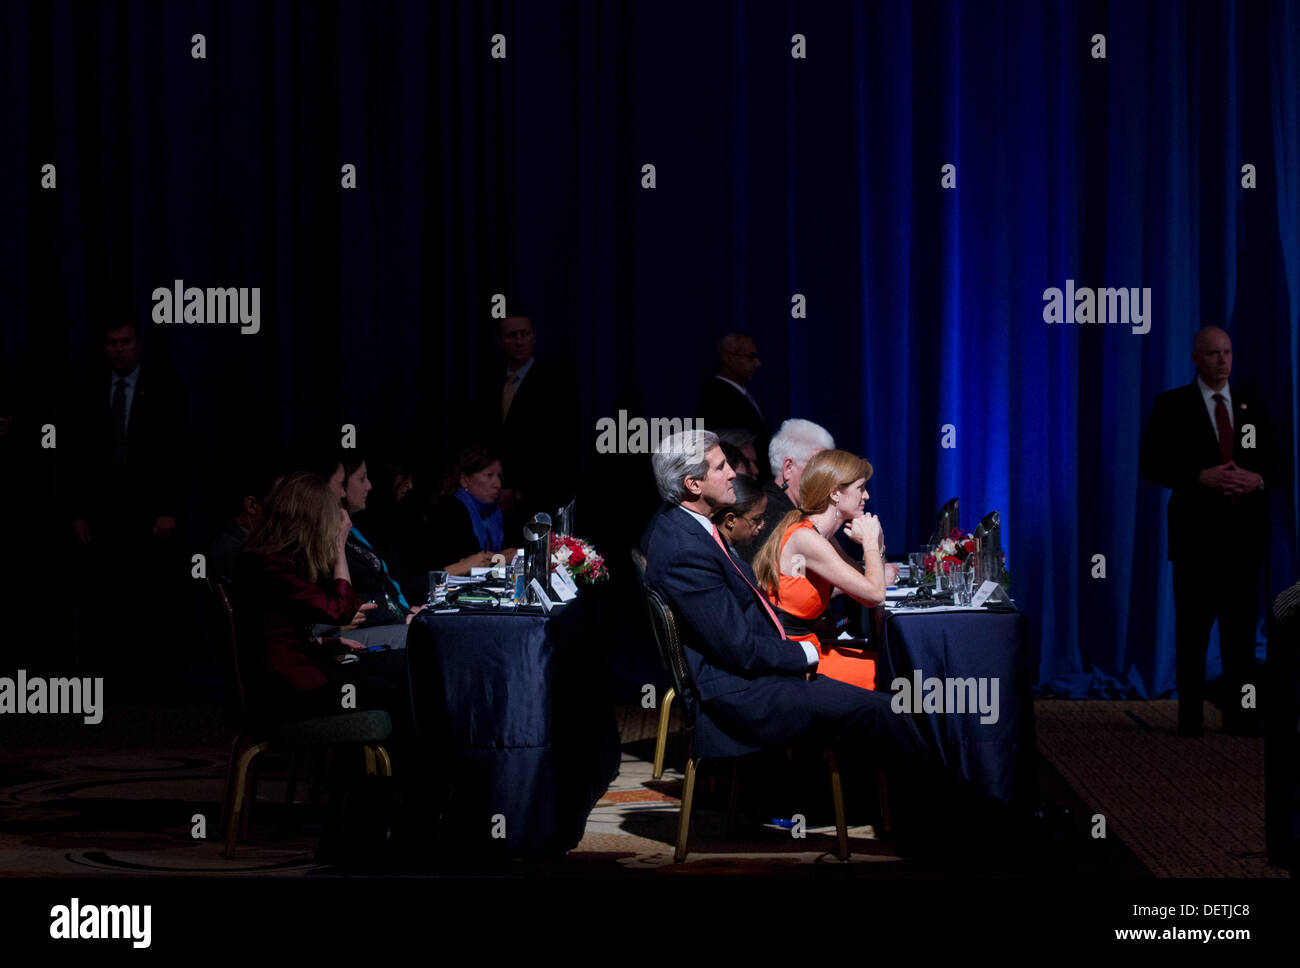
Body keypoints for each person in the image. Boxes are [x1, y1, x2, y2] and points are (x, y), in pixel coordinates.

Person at [1140, 326, 1277, 737]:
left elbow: (1278, 461)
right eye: (1214, 354)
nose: (1223, 361)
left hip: (1244, 542)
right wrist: (1199, 476)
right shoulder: (1173, 406)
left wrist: (1258, 480)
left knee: (1239, 639)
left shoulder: (1253, 405)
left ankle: (1239, 717)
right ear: (1196, 357)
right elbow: (1152, 466)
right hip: (1196, 542)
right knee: (1193, 634)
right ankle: (1190, 719)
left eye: (1228, 353)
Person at [232, 472, 411, 731]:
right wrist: (339, 547)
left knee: (398, 666)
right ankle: (387, 770)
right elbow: (342, 611)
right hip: (287, 694)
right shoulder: (270, 565)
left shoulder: (272, 560)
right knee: (396, 689)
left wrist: (321, 642)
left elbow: (276, 630)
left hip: (296, 676)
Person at [752, 449, 888, 690]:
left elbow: (865, 585)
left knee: (892, 664)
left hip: (808, 647)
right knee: (894, 674)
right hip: (792, 660)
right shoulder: (806, 538)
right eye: (860, 488)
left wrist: (876, 545)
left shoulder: (820, 536)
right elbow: (875, 595)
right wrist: (869, 543)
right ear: (835, 492)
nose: (866, 495)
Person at [482, 314, 577, 528]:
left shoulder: (554, 384)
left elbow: (559, 449)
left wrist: (517, 492)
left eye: (524, 334)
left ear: (533, 337)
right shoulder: (488, 382)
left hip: (536, 502)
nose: (519, 341)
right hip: (489, 502)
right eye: (512, 335)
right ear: (500, 340)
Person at [741, 418, 835, 563]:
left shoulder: (790, 510)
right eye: (819, 468)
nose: (827, 477)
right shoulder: (770, 514)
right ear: (788, 468)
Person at [424, 445, 519, 576]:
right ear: (465, 480)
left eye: (499, 477)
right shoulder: (449, 511)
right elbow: (466, 564)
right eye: (489, 475)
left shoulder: (496, 512)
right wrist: (501, 559)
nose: (498, 484)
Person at [695, 333, 770, 473]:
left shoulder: (740, 394)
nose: (757, 363)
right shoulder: (717, 398)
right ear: (728, 358)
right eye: (750, 356)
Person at [709, 473, 768, 558]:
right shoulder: (716, 556)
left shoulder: (735, 548)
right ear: (730, 520)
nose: (761, 525)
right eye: (756, 519)